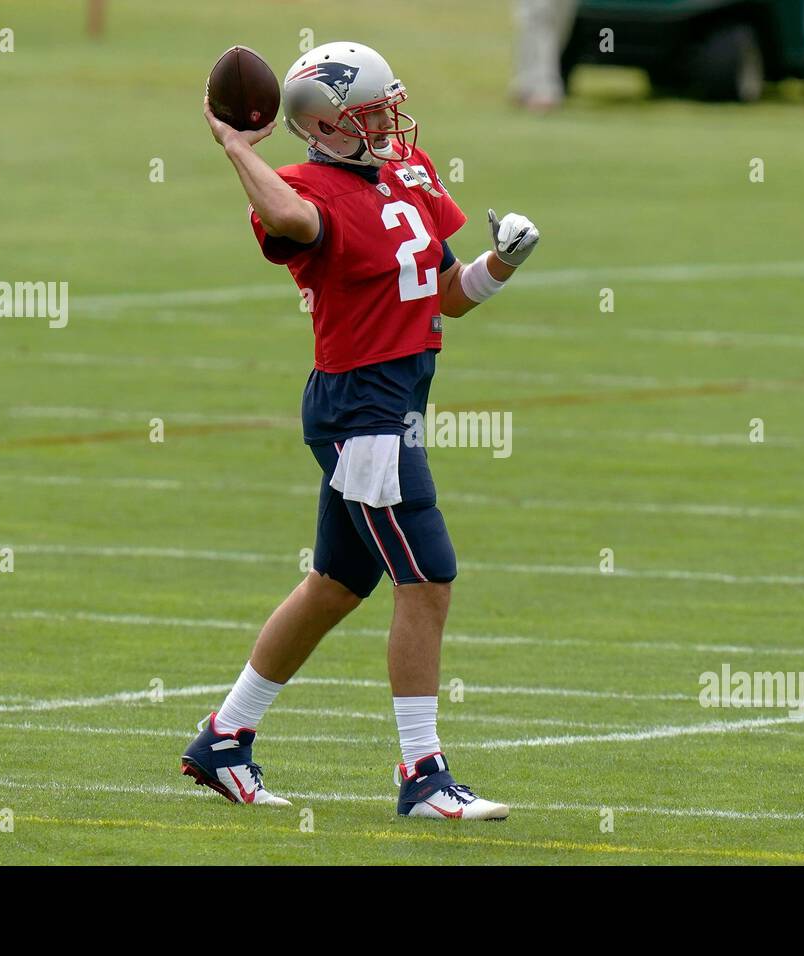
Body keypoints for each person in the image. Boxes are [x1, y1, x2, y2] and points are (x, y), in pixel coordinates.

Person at [180, 41, 539, 820]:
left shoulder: (407, 168)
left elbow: (447, 295)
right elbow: (284, 215)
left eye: (387, 107)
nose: (388, 122)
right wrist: (237, 146)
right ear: (322, 126)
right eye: (369, 113)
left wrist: (501, 262)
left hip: (395, 401)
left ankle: (224, 738)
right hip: (362, 413)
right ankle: (423, 774)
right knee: (429, 578)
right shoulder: (302, 188)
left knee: (337, 583)